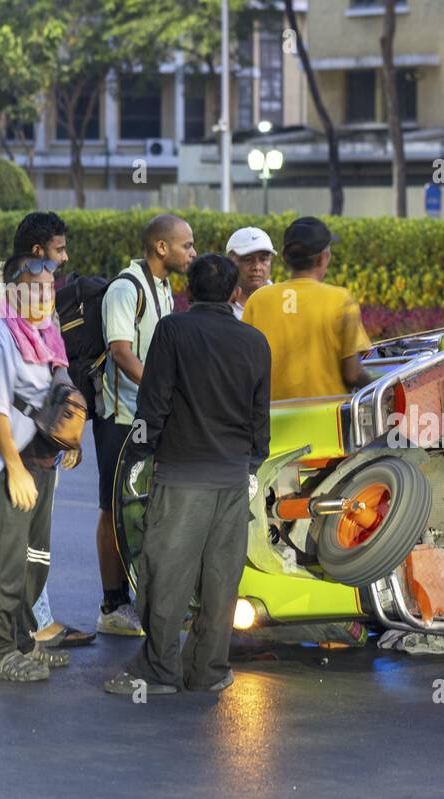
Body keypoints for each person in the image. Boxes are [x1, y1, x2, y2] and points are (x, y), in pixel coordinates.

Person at [104, 253, 271, 697]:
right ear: (236, 293)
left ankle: (158, 672)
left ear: (189, 291)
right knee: (221, 579)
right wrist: (249, 466)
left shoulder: (173, 330)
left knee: (167, 575)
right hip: (233, 479)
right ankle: (209, 671)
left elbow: (153, 403)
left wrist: (140, 454)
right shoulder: (255, 343)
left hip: (182, 476)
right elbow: (260, 422)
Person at [0, 212, 92, 650]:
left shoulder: (43, 302)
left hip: (41, 444)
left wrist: (65, 429)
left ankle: (26, 631)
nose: (65, 258)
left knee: (33, 547)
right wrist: (11, 456)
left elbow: (54, 364)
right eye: (59, 250)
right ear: (36, 255)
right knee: (1, 540)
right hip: (11, 443)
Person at [94, 214, 194, 637]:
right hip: (121, 418)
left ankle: (143, 598)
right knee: (113, 508)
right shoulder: (126, 288)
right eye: (186, 245)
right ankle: (113, 605)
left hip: (149, 415)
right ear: (161, 248)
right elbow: (121, 353)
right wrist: (159, 391)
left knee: (144, 507)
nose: (192, 252)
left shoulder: (164, 288)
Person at [242, 216, 373, 400]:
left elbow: (244, 367)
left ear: (286, 258)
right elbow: (352, 374)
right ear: (323, 257)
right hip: (327, 419)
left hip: (271, 420)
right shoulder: (341, 299)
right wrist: (380, 390)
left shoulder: (258, 299)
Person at [225, 226, 276, 319]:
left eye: (263, 259)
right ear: (230, 262)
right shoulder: (219, 305)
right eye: (248, 260)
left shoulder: (282, 301)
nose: (257, 267)